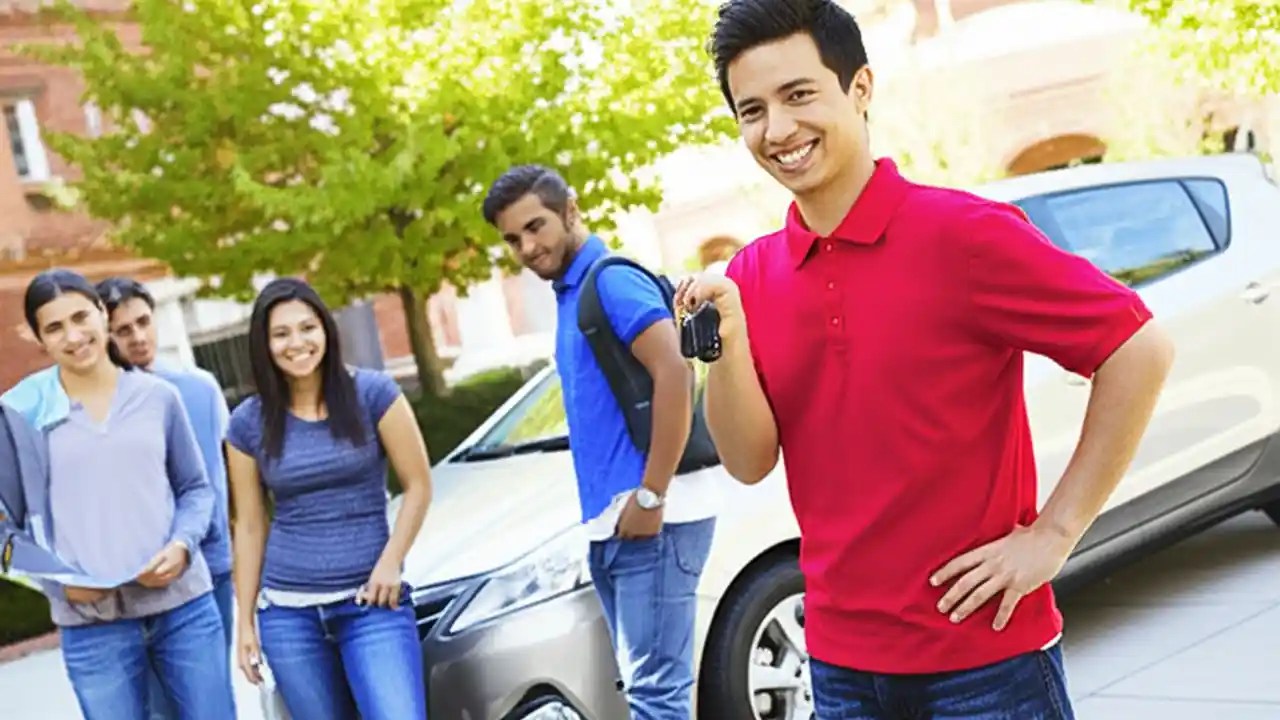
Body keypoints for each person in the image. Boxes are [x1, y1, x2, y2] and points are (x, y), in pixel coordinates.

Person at [675, 1, 1177, 718]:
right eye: (751, 109)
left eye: (798, 95)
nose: (776, 129)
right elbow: (750, 460)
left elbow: (1139, 348)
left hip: (987, 666)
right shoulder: (753, 276)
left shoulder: (963, 236)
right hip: (842, 672)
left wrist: (1055, 534)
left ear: (859, 90)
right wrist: (725, 337)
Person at [483, 164, 718, 719]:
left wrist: (651, 494)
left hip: (656, 519)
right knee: (645, 690)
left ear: (570, 211)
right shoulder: (571, 294)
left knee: (656, 694)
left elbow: (675, 373)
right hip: (619, 524)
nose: (526, 247)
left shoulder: (610, 280)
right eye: (512, 239)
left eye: (536, 227)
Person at [3, 268, 234, 720]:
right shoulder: (20, 416)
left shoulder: (158, 397)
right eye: (54, 327)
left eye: (80, 317)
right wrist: (60, 583)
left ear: (102, 315)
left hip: (184, 611)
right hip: (94, 631)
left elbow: (195, 488)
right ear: (38, 338)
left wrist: (183, 544)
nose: (73, 336)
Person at [225, 277, 433, 720]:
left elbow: (418, 484)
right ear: (264, 344)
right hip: (287, 616)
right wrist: (244, 622)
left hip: (372, 603)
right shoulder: (247, 422)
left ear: (326, 330)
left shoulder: (374, 394)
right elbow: (248, 524)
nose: (296, 343)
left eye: (307, 328)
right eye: (280, 334)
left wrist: (391, 561)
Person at [95, 276, 237, 720]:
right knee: (161, 710)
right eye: (123, 330)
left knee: (212, 702)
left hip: (211, 570)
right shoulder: (100, 409)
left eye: (143, 322)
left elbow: (222, 481)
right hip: (145, 584)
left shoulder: (200, 389)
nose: (138, 337)